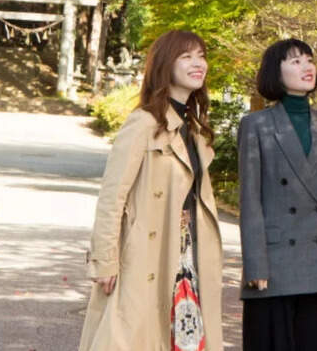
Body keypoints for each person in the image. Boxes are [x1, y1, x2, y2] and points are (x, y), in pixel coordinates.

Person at [79, 30, 224, 351]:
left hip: (188, 255)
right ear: (164, 65)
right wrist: (105, 259)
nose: (198, 63)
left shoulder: (194, 129)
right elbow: (112, 195)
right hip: (148, 254)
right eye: (186, 57)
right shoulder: (143, 122)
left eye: (201, 56)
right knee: (138, 338)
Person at [238, 38, 317, 351]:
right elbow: (250, 200)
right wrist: (255, 264)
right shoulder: (255, 124)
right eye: (296, 61)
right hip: (273, 264)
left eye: (309, 60)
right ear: (276, 71)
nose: (307, 67)